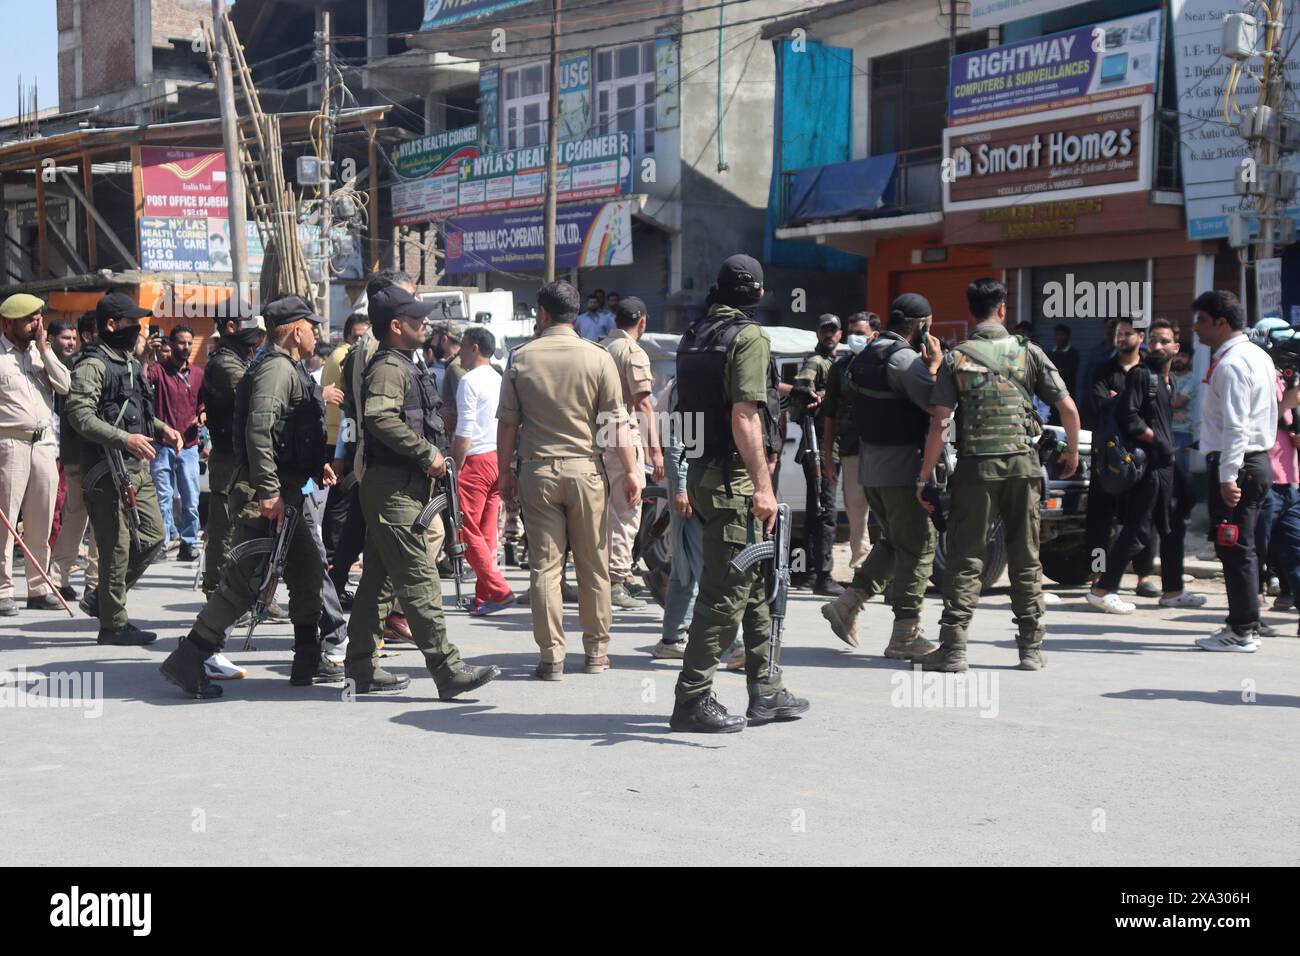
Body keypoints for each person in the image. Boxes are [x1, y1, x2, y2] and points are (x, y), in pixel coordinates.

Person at [159, 295, 338, 698]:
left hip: (289, 492)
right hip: (268, 496)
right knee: (245, 583)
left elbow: (288, 433)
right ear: (296, 331)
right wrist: (271, 493)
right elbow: (260, 432)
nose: (316, 334)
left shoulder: (286, 368)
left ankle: (306, 658)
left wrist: (313, 467)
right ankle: (189, 658)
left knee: (309, 573)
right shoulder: (276, 370)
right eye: (311, 327)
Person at [669, 254, 809, 732]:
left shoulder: (697, 335)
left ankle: (766, 690)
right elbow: (744, 414)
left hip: (707, 472)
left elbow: (720, 398)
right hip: (734, 482)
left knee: (755, 588)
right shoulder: (750, 337)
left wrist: (788, 391)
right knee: (724, 594)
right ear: (760, 295)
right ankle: (691, 700)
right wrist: (765, 488)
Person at [342, 285, 501, 697]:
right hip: (392, 489)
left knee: (378, 583)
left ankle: (360, 667)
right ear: (396, 327)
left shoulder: (405, 364)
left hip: (404, 488)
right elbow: (379, 417)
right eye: (417, 319)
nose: (426, 323)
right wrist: (426, 451)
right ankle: (448, 671)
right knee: (420, 579)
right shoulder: (389, 367)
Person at [915, 278, 1080, 672]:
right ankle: (1030, 649)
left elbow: (940, 424)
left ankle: (953, 649)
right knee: (1026, 555)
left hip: (976, 471)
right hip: (1023, 467)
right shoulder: (1029, 353)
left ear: (972, 310)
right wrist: (1071, 452)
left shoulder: (956, 358)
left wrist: (924, 477)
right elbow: (1068, 408)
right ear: (1002, 309)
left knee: (966, 557)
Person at [497, 279, 641, 680]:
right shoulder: (597, 358)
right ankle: (596, 653)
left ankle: (551, 658)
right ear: (575, 314)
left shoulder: (520, 358)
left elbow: (508, 425)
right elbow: (616, 424)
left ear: (542, 314)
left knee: (545, 568)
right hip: (586, 473)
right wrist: (631, 472)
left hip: (537, 471)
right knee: (593, 565)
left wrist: (503, 471)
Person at [821, 294, 944, 658]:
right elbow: (936, 403)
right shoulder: (904, 360)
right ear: (921, 325)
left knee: (893, 542)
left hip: (870, 467)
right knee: (921, 544)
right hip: (902, 468)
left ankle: (848, 603)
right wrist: (935, 367)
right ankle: (905, 634)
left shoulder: (865, 356)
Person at [65, 292, 182, 645]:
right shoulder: (93, 364)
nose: (139, 330)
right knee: (116, 546)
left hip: (137, 466)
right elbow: (79, 415)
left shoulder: (128, 362)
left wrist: (163, 429)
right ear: (112, 325)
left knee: (152, 537)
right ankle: (113, 625)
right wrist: (123, 440)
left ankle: (102, 600)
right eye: (133, 324)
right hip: (106, 467)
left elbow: (138, 411)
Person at [1087, 319, 1205, 613]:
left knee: (1173, 524)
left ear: (1176, 349)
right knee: (1137, 528)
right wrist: (1157, 441)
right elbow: (1129, 419)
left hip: (1167, 464)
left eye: (1164, 341)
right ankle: (1103, 588)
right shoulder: (1142, 376)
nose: (1157, 345)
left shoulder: (1169, 381)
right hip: (1150, 466)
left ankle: (1173, 590)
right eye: (1153, 340)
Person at [1194, 290, 1277, 651]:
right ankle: (1244, 621)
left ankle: (1243, 630)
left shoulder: (1231, 364)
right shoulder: (1256, 356)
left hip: (1239, 464)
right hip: (1254, 461)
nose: (1195, 328)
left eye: (1201, 321)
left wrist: (1228, 476)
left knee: (1235, 547)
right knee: (1243, 546)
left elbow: (1236, 427)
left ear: (1220, 322)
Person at [0, 293, 71, 614]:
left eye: (38, 318)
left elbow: (65, 386)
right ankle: (3, 589)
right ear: (8, 323)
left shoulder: (41, 353)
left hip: (43, 444)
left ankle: (38, 587)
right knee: (6, 522)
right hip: (9, 443)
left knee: (41, 520)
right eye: (29, 319)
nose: (36, 324)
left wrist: (45, 349)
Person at [1085, 316, 1157, 597]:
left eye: (1127, 333)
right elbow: (1101, 404)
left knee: (1142, 518)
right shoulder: (1101, 371)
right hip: (1108, 457)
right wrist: (1129, 404)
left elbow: (1151, 411)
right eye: (1118, 333)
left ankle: (1143, 576)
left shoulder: (1149, 371)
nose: (1121, 337)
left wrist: (1122, 401)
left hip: (1141, 457)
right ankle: (1098, 573)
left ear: (1141, 337)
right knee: (1099, 521)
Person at [600, 296, 663, 610]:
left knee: (604, 512)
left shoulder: (599, 347)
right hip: (622, 439)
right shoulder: (632, 352)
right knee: (627, 510)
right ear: (642, 322)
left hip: (596, 439)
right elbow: (643, 404)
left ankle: (610, 577)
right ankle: (616, 581)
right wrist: (657, 452)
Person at [451, 325, 514, 615]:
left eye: (461, 346)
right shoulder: (499, 378)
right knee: (486, 533)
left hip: (475, 461)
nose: (458, 352)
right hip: (495, 458)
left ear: (474, 348)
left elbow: (464, 430)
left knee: (465, 531)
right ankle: (483, 595)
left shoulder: (469, 381)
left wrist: (455, 464)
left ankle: (498, 589)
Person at [789, 313, 843, 596]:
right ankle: (822, 574)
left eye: (833, 331)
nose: (829, 335)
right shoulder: (816, 362)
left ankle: (811, 573)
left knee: (817, 509)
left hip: (829, 444)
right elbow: (801, 391)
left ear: (840, 334)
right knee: (826, 510)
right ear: (818, 333)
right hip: (820, 443)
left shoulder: (836, 362)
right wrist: (816, 397)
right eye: (825, 331)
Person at [50, 313, 99, 604]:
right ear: (88, 336)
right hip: (87, 453)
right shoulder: (81, 365)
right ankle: (93, 582)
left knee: (75, 517)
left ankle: (58, 577)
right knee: (99, 520)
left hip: (78, 454)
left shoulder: (73, 364)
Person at [822, 312, 875, 568]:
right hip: (851, 450)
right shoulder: (840, 368)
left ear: (874, 334)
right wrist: (828, 459)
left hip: (883, 449)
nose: (855, 338)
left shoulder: (885, 364)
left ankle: (889, 571)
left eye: (861, 333)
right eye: (852, 333)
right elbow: (829, 415)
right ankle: (861, 571)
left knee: (890, 513)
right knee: (856, 514)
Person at [147, 325, 203, 562]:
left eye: (190, 343)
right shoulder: (157, 371)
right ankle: (160, 544)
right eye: (182, 342)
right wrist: (146, 354)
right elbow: (141, 381)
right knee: (163, 497)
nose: (186, 347)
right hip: (162, 445)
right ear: (171, 344)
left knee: (191, 499)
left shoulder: (199, 374)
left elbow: (204, 402)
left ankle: (188, 544)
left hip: (189, 446)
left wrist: (202, 414)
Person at [321, 312, 369, 567]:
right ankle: (334, 558)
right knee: (341, 502)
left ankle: (338, 559)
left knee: (342, 502)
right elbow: (347, 410)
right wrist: (341, 453)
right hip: (342, 439)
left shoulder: (344, 356)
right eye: (358, 337)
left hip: (342, 437)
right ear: (349, 336)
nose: (362, 342)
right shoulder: (348, 359)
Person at [1170, 350, 1199, 477]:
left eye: (1183, 355)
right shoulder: (1167, 376)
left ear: (1190, 360)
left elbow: (1178, 402)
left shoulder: (1192, 379)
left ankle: (1186, 497)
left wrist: (1163, 407)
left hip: (1182, 431)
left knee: (1180, 471)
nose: (1178, 359)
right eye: (1176, 355)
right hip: (1164, 428)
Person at [1049, 323, 1081, 398]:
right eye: (1057, 335)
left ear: (1068, 337)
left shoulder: (1073, 354)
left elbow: (1067, 373)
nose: (1059, 337)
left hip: (1067, 395)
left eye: (1062, 335)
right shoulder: (1049, 354)